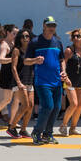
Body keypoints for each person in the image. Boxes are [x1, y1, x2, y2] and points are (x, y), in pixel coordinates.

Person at [27, 16, 66, 145]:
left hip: (56, 81)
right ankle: (37, 132)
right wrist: (34, 60)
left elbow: (62, 60)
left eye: (53, 25)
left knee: (56, 108)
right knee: (48, 106)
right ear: (44, 26)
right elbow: (25, 61)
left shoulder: (57, 42)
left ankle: (48, 134)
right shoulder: (35, 42)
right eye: (49, 25)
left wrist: (63, 71)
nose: (51, 28)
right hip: (42, 82)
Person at [61, 29, 81, 138]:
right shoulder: (69, 50)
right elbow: (63, 63)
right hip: (69, 81)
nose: (75, 38)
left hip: (80, 81)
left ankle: (73, 128)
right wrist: (64, 76)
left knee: (79, 106)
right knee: (74, 104)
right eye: (74, 36)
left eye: (78, 36)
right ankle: (64, 125)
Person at [6, 28, 34, 139]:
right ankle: (12, 127)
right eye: (23, 37)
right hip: (19, 82)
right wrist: (18, 83)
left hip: (29, 81)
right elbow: (13, 68)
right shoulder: (16, 50)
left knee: (31, 106)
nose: (25, 38)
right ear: (19, 39)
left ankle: (23, 130)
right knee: (25, 105)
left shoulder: (31, 50)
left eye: (27, 36)